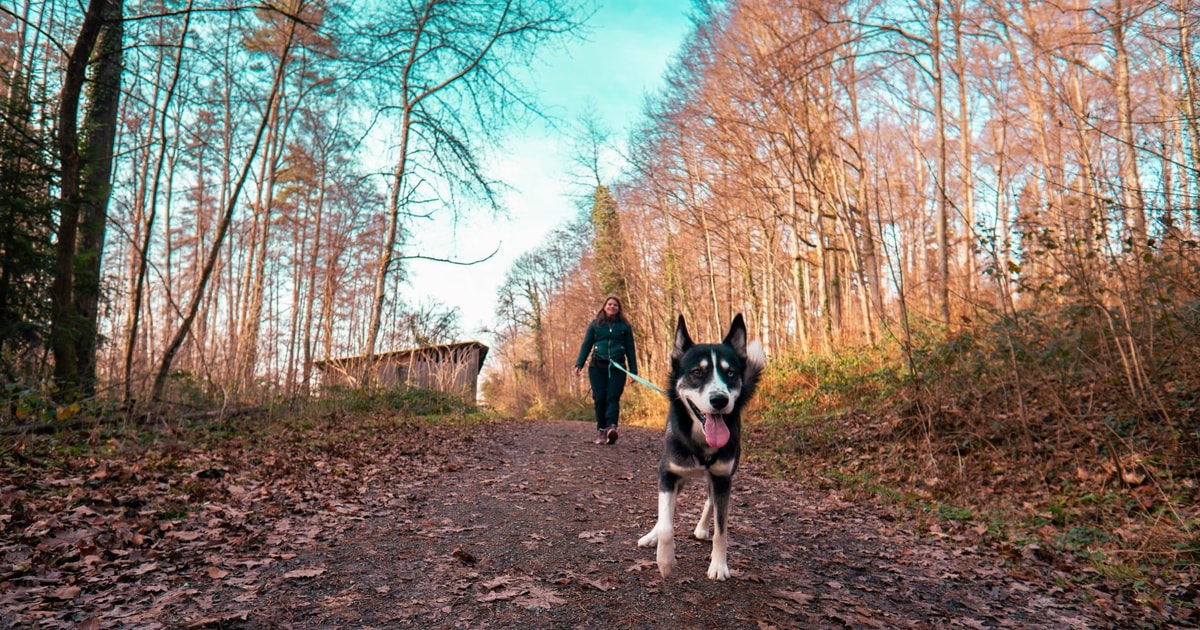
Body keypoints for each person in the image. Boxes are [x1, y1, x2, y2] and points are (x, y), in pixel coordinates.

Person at [574, 296, 638, 445]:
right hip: (597, 367)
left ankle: (611, 427)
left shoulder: (624, 327)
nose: (612, 307)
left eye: (615, 305)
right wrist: (579, 364)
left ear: (619, 308)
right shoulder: (595, 325)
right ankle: (602, 430)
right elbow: (586, 345)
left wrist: (633, 371)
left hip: (618, 367)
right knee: (599, 398)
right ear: (604, 307)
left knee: (613, 397)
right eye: (609, 304)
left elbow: (630, 349)